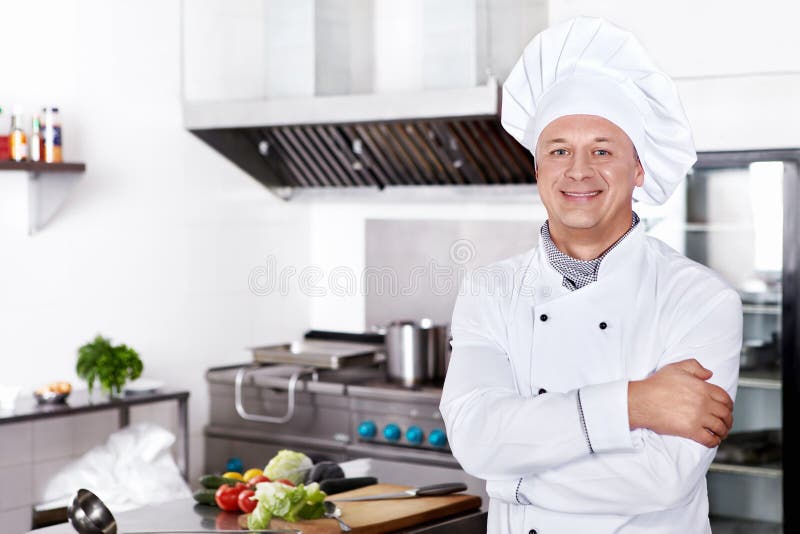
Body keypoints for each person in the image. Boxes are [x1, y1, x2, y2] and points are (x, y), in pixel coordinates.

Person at [439, 16, 742, 533]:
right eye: (559, 150)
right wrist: (635, 404)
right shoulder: (489, 289)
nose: (578, 170)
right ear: (537, 167)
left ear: (638, 168)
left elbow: (661, 478)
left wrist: (512, 480)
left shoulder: (700, 299)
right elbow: (475, 438)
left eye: (602, 150)